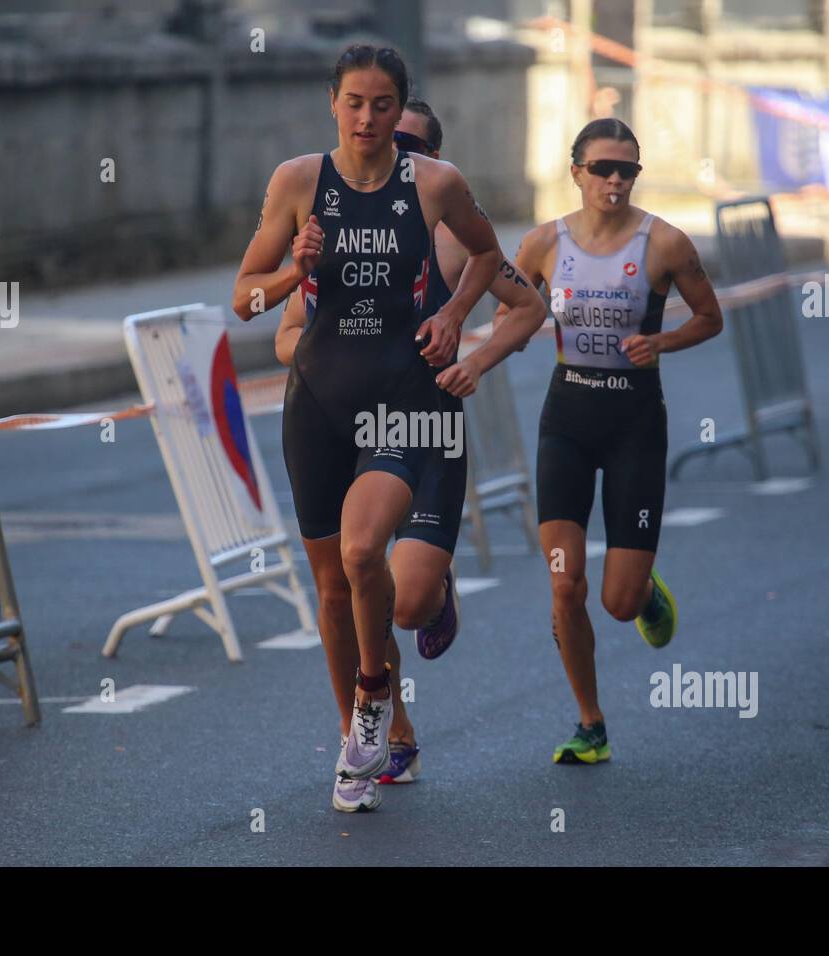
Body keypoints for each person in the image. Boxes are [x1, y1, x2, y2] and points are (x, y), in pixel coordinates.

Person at [233, 45, 511, 810]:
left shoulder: (435, 184)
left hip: (404, 398)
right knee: (331, 587)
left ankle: (374, 700)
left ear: (401, 110)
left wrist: (454, 316)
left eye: (383, 104)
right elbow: (244, 302)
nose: (367, 118)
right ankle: (358, 742)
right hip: (318, 403)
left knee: (362, 551)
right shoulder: (296, 182)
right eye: (354, 102)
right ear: (333, 103)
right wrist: (294, 270)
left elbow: (488, 255)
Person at [274, 97, 547, 794]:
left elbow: (529, 308)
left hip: (425, 421)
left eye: (409, 145)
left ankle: (435, 585)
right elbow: (284, 330)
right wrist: (322, 355)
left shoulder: (449, 229)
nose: (387, 153)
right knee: (350, 573)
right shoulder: (334, 221)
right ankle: (375, 736)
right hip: (346, 417)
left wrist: (472, 356)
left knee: (408, 603)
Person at [499, 118, 722, 765]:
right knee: (565, 583)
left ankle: (646, 591)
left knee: (617, 603)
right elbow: (510, 308)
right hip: (566, 421)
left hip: (634, 425)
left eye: (628, 170)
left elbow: (711, 317)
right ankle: (589, 724)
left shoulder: (666, 244)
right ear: (576, 172)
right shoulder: (543, 244)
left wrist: (662, 342)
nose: (616, 181)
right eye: (603, 169)